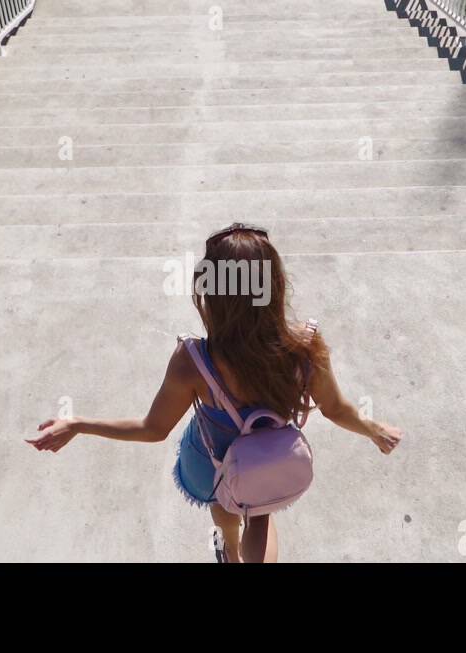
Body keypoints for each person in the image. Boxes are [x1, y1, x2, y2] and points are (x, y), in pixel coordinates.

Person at [27, 223, 403, 562]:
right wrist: (374, 430)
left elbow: (152, 429)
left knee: (225, 509)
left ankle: (229, 549)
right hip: (267, 456)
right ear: (274, 287)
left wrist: (78, 424)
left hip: (212, 461)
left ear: (212, 292)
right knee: (259, 513)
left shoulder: (192, 360)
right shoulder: (305, 346)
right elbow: (335, 408)